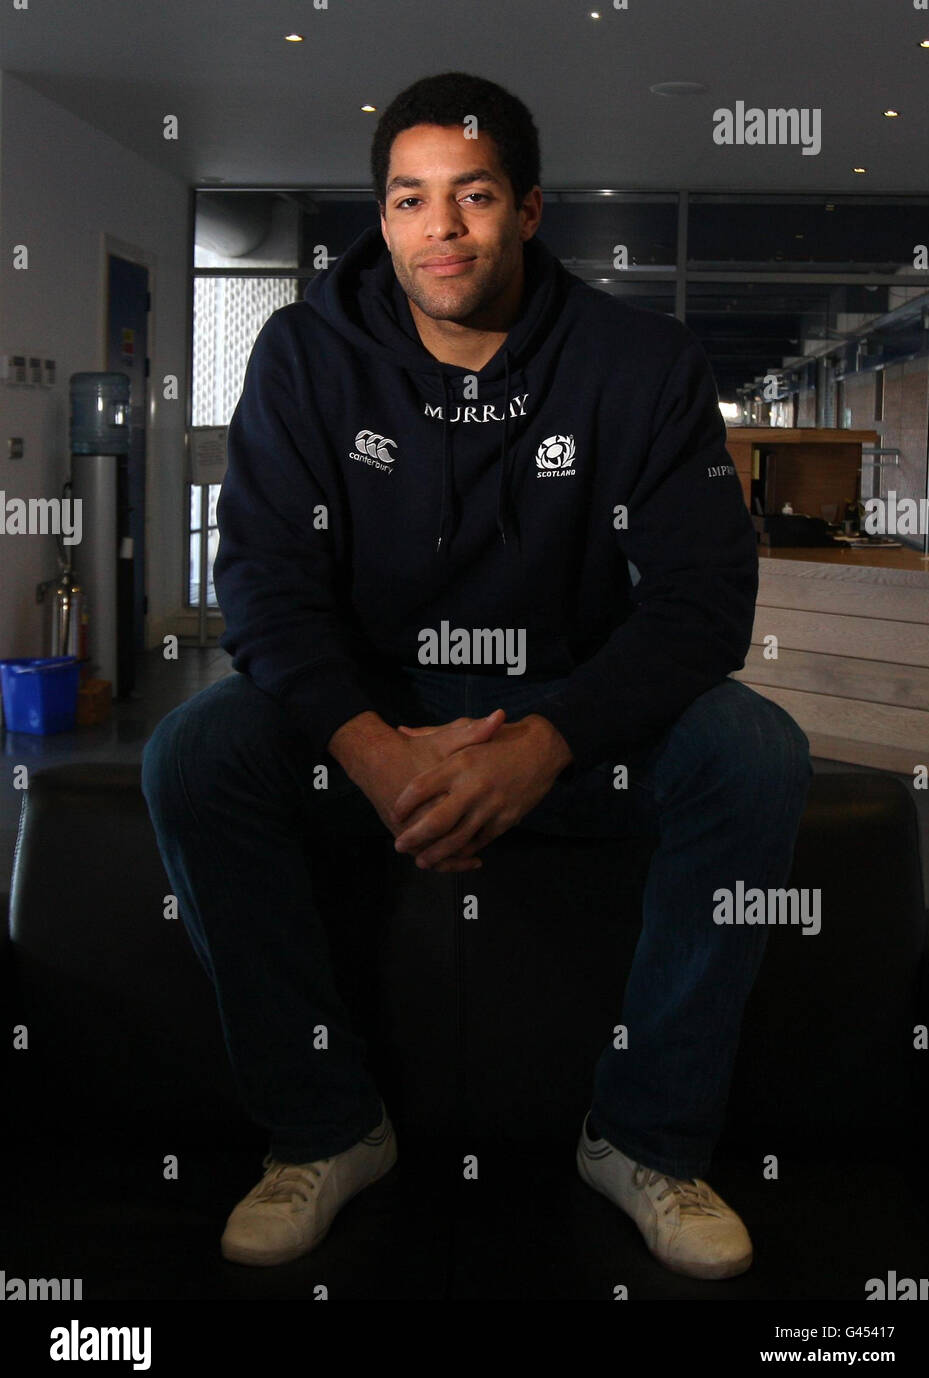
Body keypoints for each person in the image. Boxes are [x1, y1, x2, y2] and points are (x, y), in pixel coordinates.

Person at [142, 70, 812, 1283]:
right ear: (384, 215)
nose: (439, 229)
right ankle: (324, 1127)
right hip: (367, 713)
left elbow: (705, 604)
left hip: (574, 717)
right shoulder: (305, 354)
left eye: (473, 195)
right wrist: (370, 743)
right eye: (409, 199)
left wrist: (547, 738)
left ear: (530, 209)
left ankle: (647, 1138)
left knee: (756, 749)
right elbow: (265, 589)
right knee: (192, 752)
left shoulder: (641, 360)